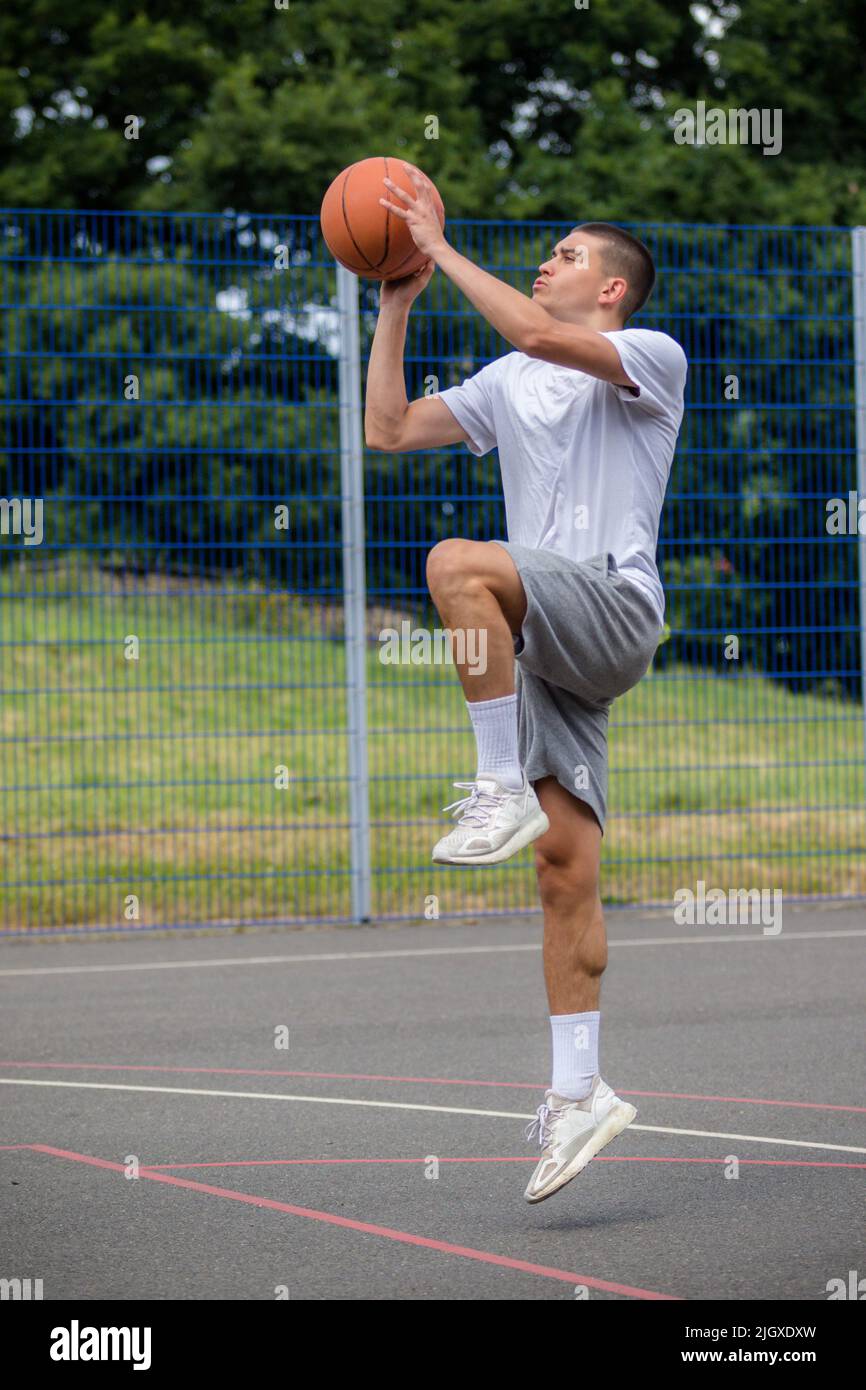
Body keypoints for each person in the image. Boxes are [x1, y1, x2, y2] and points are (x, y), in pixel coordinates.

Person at [365, 166, 687, 1203]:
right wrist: (395, 304)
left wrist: (439, 243)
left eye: (567, 254)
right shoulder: (506, 379)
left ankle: (494, 778)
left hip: (608, 606)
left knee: (456, 561)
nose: (545, 261)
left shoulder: (645, 356)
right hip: (546, 634)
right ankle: (578, 1091)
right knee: (561, 869)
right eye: (545, 252)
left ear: (610, 291)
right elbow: (388, 430)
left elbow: (546, 339)